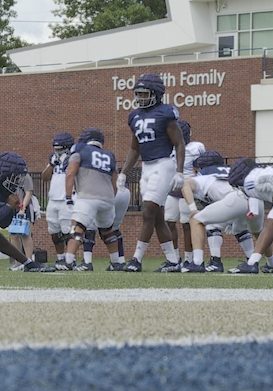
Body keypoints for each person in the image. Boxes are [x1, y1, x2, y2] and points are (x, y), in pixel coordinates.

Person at [119, 73, 186, 272]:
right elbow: (134, 148)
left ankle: (136, 259)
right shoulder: (135, 116)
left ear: (156, 94)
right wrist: (123, 172)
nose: (139, 98)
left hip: (163, 164)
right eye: (137, 94)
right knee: (156, 217)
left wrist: (180, 172)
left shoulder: (165, 113)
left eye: (144, 94)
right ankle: (173, 261)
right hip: (146, 167)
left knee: (148, 210)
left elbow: (179, 143)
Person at [179, 151, 267, 273]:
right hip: (254, 199)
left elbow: (185, 184)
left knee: (199, 220)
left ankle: (203, 262)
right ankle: (260, 263)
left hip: (235, 199)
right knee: (249, 231)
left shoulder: (202, 177)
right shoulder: (228, 170)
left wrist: (192, 208)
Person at [56, 129, 122, 272]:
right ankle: (116, 262)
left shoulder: (80, 151)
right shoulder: (110, 155)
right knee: (108, 232)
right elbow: (115, 181)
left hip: (88, 197)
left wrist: (68, 197)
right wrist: (110, 197)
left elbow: (70, 173)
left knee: (77, 229)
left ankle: (67, 261)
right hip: (108, 198)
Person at [226, 158, 273, 274]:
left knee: (271, 224)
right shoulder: (260, 172)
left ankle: (252, 264)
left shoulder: (249, 180)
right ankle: (269, 266)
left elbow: (271, 179)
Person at [164, 120, 205, 267]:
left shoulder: (197, 147)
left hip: (188, 189)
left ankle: (188, 259)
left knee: (186, 224)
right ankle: (174, 258)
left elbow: (202, 165)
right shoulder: (169, 148)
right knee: (168, 222)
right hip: (172, 189)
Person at [41, 132, 74, 268]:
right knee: (54, 231)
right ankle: (60, 258)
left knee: (67, 230)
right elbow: (45, 177)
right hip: (53, 198)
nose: (57, 151)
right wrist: (51, 164)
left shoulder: (73, 158)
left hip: (66, 198)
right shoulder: (53, 158)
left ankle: (69, 258)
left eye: (60, 148)